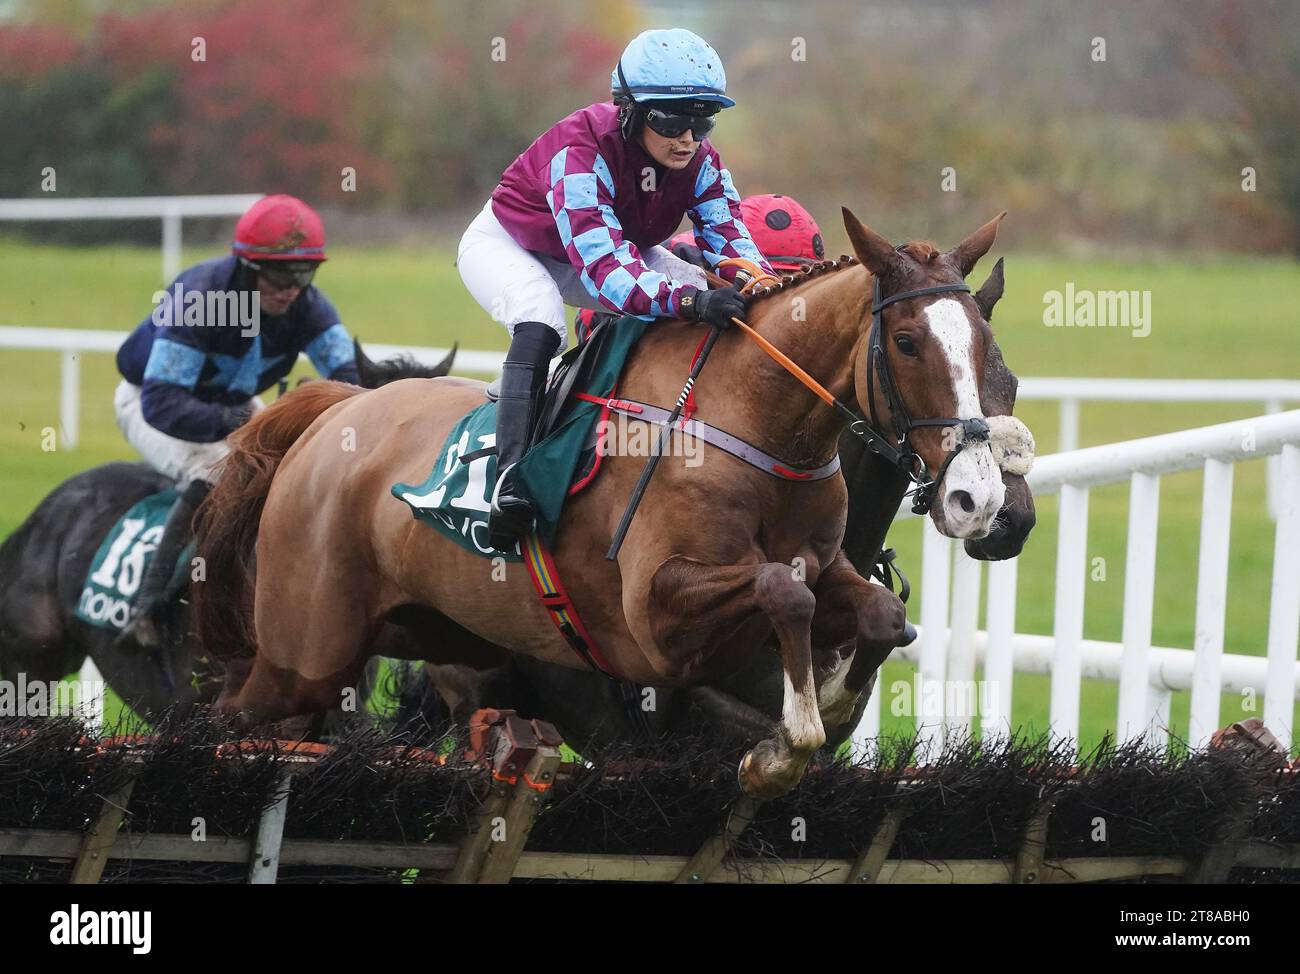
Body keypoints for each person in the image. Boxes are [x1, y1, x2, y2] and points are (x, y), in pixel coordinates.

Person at [456, 28, 776, 550]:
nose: (688, 139)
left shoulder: (702, 161)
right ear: (628, 110)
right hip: (511, 245)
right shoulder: (579, 151)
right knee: (541, 317)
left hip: (607, 246)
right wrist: (693, 303)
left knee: (698, 282)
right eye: (672, 121)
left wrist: (769, 289)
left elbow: (733, 245)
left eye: (701, 121)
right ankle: (510, 479)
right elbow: (609, 276)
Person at [113, 194, 360, 651]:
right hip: (152, 400)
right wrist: (246, 420)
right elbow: (163, 403)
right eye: (278, 274)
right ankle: (146, 609)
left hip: (234, 402)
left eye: (304, 273)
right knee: (219, 477)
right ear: (246, 267)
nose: (291, 288)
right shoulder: (198, 298)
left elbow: (350, 382)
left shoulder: (309, 306)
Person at [577, 193, 826, 342]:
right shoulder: (679, 260)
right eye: (778, 274)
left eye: (792, 279)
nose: (779, 288)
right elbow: (592, 316)